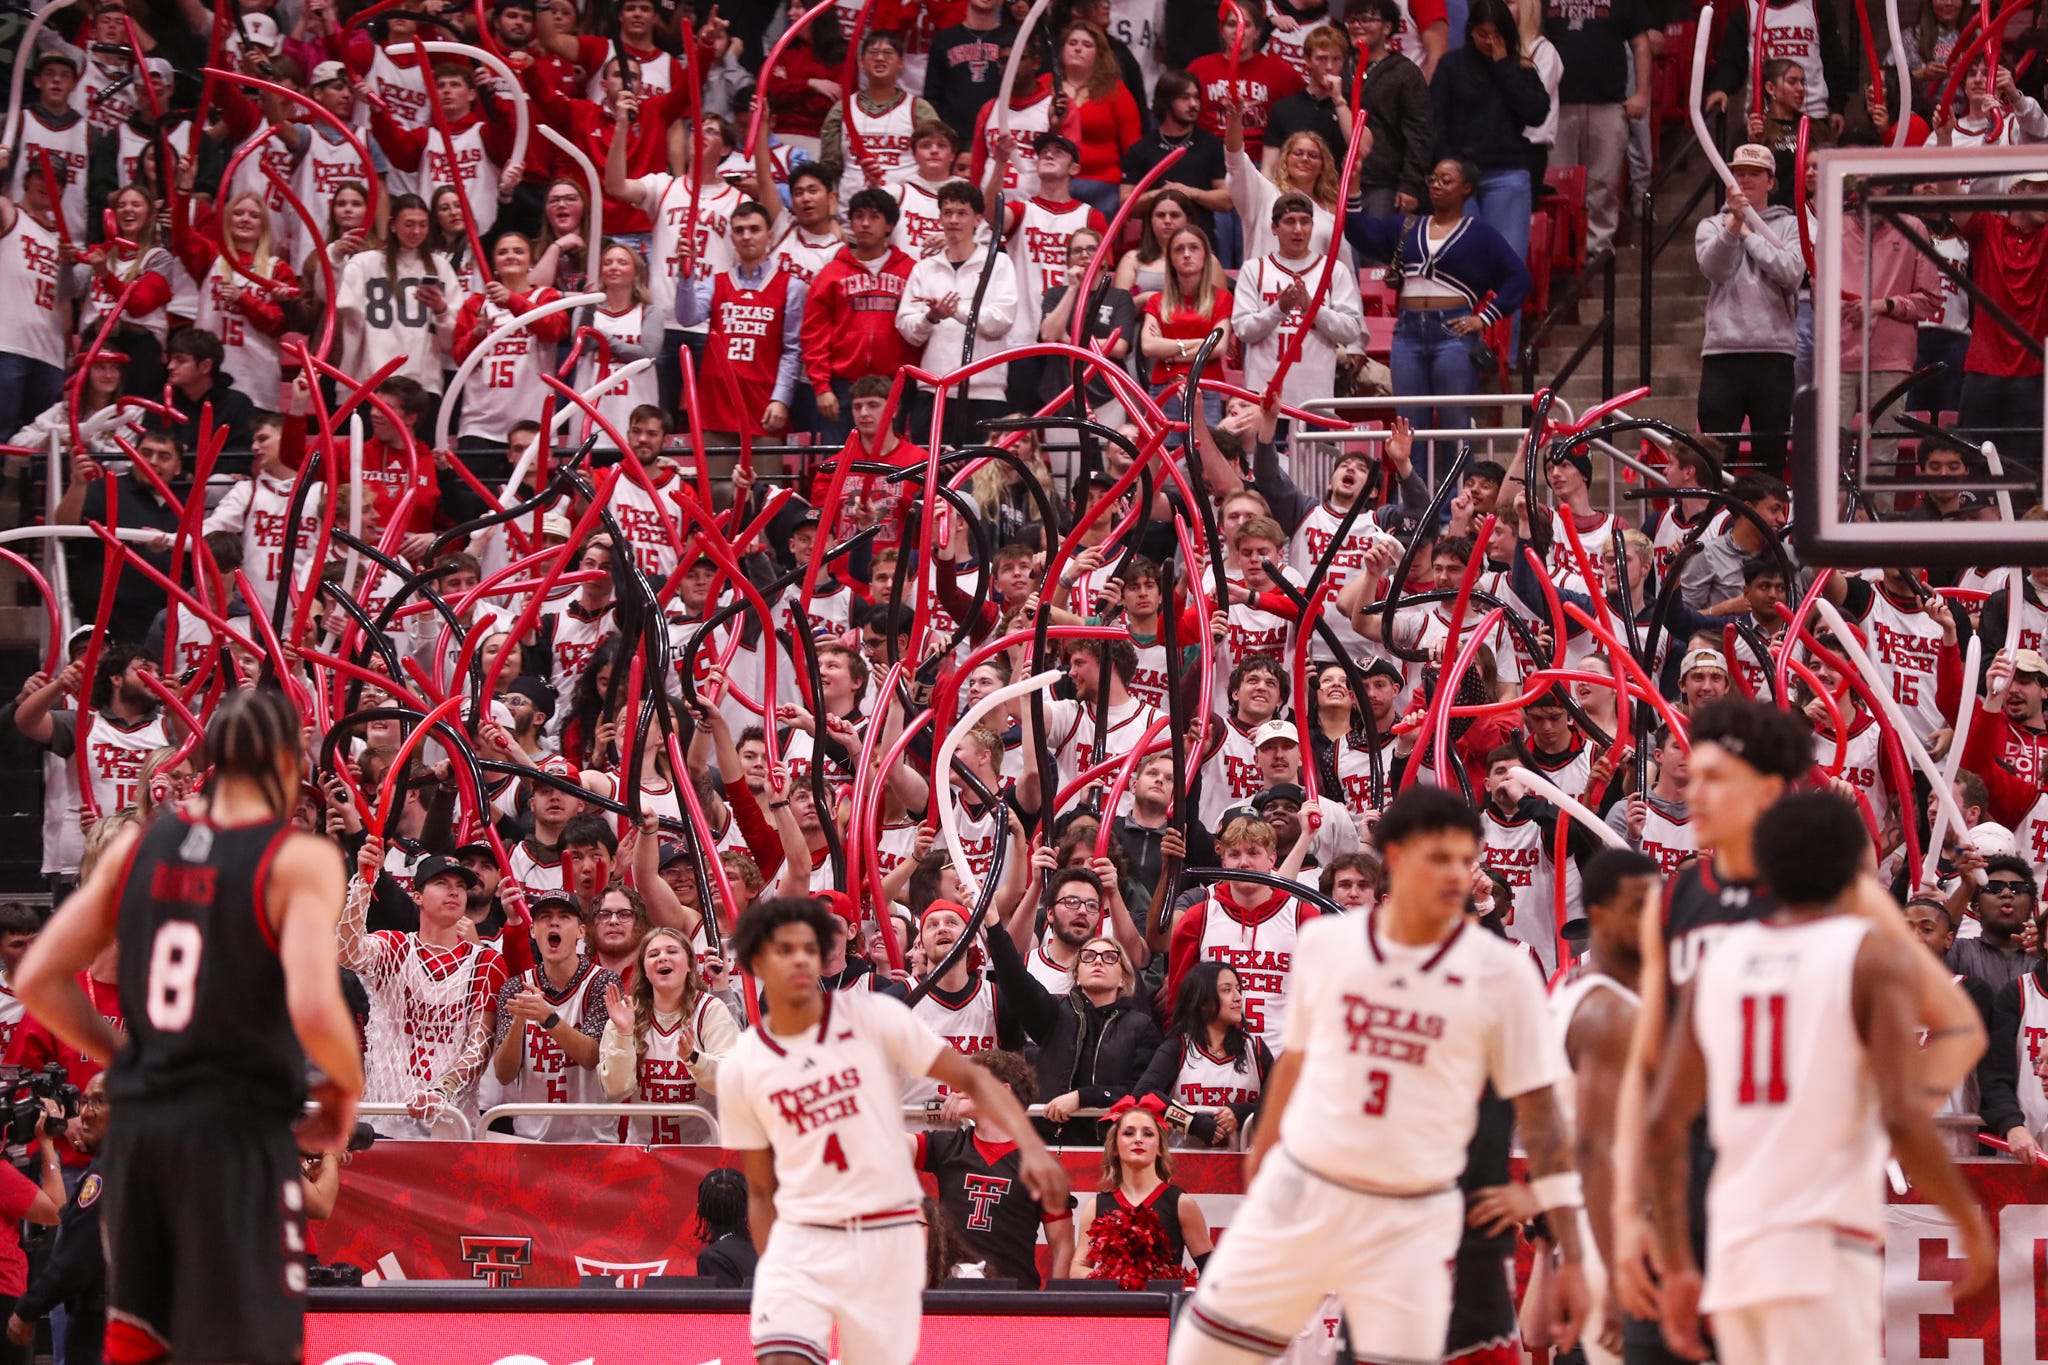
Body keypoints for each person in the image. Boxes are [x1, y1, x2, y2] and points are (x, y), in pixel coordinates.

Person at [1165, 787, 1592, 1364]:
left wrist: (1568, 1239)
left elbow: (1540, 1111)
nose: (1454, 874)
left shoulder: (1502, 969)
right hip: (1313, 1181)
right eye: (1436, 858)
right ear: (1395, 860)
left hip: (1411, 1205)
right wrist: (1263, 1159)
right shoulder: (1329, 943)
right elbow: (1297, 1061)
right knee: (1204, 1350)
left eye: (1464, 859)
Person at [15, 688, 362, 1365]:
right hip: (234, 1134)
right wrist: (341, 1099)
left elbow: (39, 979)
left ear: (209, 761)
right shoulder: (296, 859)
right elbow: (317, 1007)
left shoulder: (137, 849)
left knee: (142, 1345)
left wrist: (122, 1053)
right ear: (286, 763)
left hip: (143, 1140)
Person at [1643, 792, 1994, 1362]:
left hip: (1735, 1243)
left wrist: (1678, 1261)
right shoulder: (1866, 955)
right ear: (1854, 869)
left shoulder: (1718, 962)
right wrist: (1967, 1222)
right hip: (1822, 1241)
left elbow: (1663, 1120)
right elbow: (1903, 1115)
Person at [718, 896, 1067, 1365]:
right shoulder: (890, 1003)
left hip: (952, 1153)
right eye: (934, 922)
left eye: (954, 922)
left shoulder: (979, 999)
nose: (944, 929)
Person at [1527, 848, 1654, 1365]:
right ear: (1599, 915)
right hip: (1614, 1243)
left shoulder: (1572, 997)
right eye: (1638, 907)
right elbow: (1594, 1148)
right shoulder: (1606, 1014)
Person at [1351, 159, 1531, 464]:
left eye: (1446, 181)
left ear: (1466, 189)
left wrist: (1484, 317)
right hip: (1407, 334)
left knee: (1455, 423)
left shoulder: (1479, 233)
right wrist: (1354, 189)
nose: (1436, 185)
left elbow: (1519, 278)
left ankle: (1460, 493)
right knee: (1408, 426)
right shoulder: (1408, 225)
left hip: (1453, 334)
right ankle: (1414, 492)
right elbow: (1359, 233)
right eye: (1433, 179)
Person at [913, 1050, 1077, 1288]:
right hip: (950, 1294)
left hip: (1013, 1297)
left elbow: (1062, 1245)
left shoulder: (1038, 1164)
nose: (959, 1089)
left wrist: (1056, 1301)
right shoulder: (945, 1145)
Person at [1694, 144, 1804, 478]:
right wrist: (1734, 227)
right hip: (1722, 353)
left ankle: (1768, 511)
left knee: (1770, 456)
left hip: (1773, 353)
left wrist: (1748, 234)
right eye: (1738, 173)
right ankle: (1714, 510)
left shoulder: (1790, 225)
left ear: (1771, 181)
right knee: (1713, 458)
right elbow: (1716, 269)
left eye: (1754, 173)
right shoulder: (1711, 225)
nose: (1744, 180)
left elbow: (1792, 272)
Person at [896, 180, 1018, 445]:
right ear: (939, 217)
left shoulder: (998, 263)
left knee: (983, 470)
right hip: (934, 390)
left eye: (962, 213)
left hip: (985, 393)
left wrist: (955, 311)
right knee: (931, 467)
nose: (953, 220)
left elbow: (1001, 320)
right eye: (947, 213)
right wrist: (931, 317)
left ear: (977, 219)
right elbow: (907, 328)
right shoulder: (924, 268)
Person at [1541, 0, 1654, 257]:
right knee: (1557, 186)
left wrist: (1641, 94)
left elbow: (1641, 44)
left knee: (1603, 185)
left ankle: (1598, 254)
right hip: (1557, 105)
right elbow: (1530, 38)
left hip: (1609, 103)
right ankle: (1562, 255)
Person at [7, 1073, 106, 1365]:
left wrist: (28, 1308)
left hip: (102, 1326)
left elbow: (73, 1254)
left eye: (98, 1102)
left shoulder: (106, 1175)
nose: (85, 1113)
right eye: (84, 1102)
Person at [1069, 1096, 1214, 1282]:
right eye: (1129, 1133)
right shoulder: (1096, 1205)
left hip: (1163, 1301)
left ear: (1160, 1147)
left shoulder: (1181, 1203)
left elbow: (1212, 1269)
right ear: (1115, 1147)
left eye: (1148, 1134)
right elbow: (1077, 1269)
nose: (1138, 1139)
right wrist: (1116, 1279)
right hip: (1113, 1301)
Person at [1137, 960, 1275, 1148]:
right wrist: (1191, 1123)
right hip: (1185, 1161)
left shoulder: (1255, 1049)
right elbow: (1143, 1096)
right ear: (1202, 1001)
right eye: (1227, 990)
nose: (1238, 998)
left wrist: (1243, 1113)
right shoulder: (1178, 1046)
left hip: (1244, 1161)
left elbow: (1283, 1102)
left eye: (1238, 989)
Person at [1051, 20, 1144, 219]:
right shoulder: (1044, 86)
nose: (1078, 49)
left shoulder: (1115, 90)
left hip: (1103, 187)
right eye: (1072, 43)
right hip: (1052, 182)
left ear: (1098, 54)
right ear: (1062, 50)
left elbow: (1133, 147)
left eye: (1087, 45)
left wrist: (1129, 187)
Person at [693, 1167, 758, 1287]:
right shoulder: (767, 1247)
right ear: (747, 1208)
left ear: (701, 1209)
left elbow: (728, 1299)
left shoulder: (713, 1258)